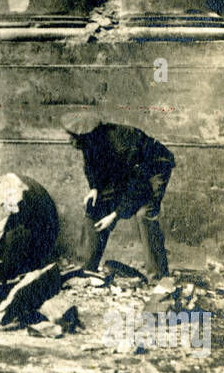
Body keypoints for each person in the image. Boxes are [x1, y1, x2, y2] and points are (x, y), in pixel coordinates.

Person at [62, 112, 175, 278]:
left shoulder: (123, 146)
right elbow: (92, 167)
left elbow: (138, 186)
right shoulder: (90, 142)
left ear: (86, 136)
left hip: (154, 168)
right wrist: (94, 188)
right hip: (128, 173)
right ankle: (85, 268)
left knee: (145, 214)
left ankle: (158, 277)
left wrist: (115, 215)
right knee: (96, 205)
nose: (69, 141)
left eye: (73, 137)